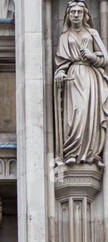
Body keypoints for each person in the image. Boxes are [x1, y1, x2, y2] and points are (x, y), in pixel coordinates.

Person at [55, 0, 108, 165]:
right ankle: (72, 152)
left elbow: (105, 58)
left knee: (90, 112)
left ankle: (92, 154)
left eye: (79, 12)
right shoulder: (65, 37)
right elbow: (61, 64)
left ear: (85, 15)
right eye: (73, 12)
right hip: (73, 77)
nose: (76, 15)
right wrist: (60, 73)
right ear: (68, 16)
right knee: (77, 112)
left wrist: (93, 57)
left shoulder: (92, 33)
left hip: (90, 76)